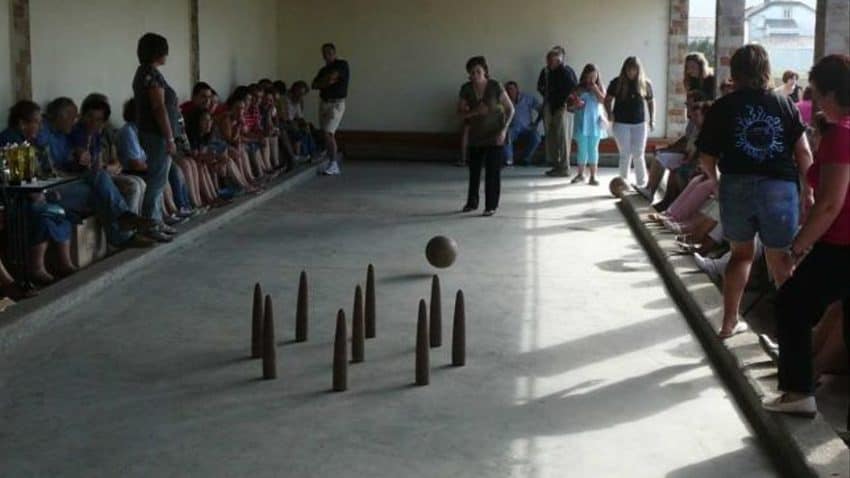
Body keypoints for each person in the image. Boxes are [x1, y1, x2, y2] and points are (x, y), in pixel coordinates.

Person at [697, 44, 812, 339]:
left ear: (735, 71)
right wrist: (807, 190)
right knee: (781, 260)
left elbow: (706, 158)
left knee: (741, 256)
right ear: (765, 70)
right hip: (779, 187)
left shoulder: (723, 107)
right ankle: (792, 333)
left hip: (737, 183)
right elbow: (804, 153)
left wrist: (718, 181)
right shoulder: (784, 104)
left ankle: (729, 321)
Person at [762, 55, 850, 417]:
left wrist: (796, 248)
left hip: (842, 245)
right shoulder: (839, 131)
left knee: (792, 303)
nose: (812, 99)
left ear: (830, 92)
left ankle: (798, 392)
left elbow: (830, 203)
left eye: (815, 92)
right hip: (841, 243)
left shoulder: (842, 134)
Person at [39, 97, 154, 249]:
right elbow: (50, 170)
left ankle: (124, 226)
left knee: (99, 178)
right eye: (73, 117)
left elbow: (72, 163)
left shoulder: (64, 134)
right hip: (54, 188)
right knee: (97, 192)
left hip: (72, 180)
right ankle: (123, 230)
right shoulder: (45, 134)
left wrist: (78, 160)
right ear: (62, 116)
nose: (75, 121)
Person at [0, 101, 77, 285]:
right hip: (12, 200)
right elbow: (15, 180)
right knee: (41, 214)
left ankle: (65, 264)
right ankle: (36, 270)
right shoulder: (9, 142)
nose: (40, 127)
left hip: (27, 196)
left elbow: (38, 174)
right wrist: (38, 194)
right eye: (36, 122)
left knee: (60, 212)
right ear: (22, 124)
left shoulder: (28, 142)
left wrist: (45, 192)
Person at [133, 32, 180, 242]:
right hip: (157, 135)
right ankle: (150, 224)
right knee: (157, 180)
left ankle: (157, 219)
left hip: (154, 133)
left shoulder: (146, 72)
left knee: (160, 180)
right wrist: (169, 138)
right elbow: (158, 107)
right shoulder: (150, 74)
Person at [457, 56, 515, 217]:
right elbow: (459, 114)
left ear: (485, 72)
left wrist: (503, 131)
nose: (476, 75)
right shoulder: (466, 89)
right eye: (472, 72)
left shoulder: (495, 86)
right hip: (476, 137)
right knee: (474, 171)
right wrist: (475, 112)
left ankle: (491, 205)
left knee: (492, 172)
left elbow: (510, 109)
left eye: (478, 71)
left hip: (495, 135)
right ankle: (472, 202)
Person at [605, 56, 655, 191]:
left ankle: (642, 184)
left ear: (638, 70)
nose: (631, 72)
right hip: (621, 123)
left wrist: (652, 119)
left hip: (639, 123)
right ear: (625, 69)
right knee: (625, 154)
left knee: (638, 153)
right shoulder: (617, 83)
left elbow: (650, 102)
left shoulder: (645, 83)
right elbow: (607, 99)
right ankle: (623, 183)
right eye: (629, 69)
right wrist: (609, 113)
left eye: (634, 69)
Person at [537, 47, 578, 177]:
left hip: (563, 108)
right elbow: (540, 86)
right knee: (552, 137)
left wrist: (565, 102)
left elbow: (574, 89)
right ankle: (556, 165)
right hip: (550, 106)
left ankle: (565, 167)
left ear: (558, 60)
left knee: (563, 138)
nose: (548, 63)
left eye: (551, 61)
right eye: (547, 61)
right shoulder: (546, 72)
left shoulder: (566, 71)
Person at [312, 43, 350, 176]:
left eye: (329, 52)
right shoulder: (323, 70)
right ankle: (329, 157)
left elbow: (331, 78)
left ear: (334, 52)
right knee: (325, 133)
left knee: (328, 133)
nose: (326, 55)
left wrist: (327, 81)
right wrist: (326, 81)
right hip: (324, 103)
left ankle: (333, 164)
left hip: (336, 104)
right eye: (324, 53)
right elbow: (315, 84)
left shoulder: (342, 64)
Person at [570, 64, 607, 185]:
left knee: (593, 149)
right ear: (584, 76)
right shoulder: (578, 88)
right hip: (581, 123)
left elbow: (603, 101)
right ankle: (580, 174)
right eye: (589, 76)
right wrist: (576, 104)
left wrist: (595, 89)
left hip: (595, 124)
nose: (591, 79)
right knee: (582, 149)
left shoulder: (600, 87)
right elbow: (569, 106)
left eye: (594, 76)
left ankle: (593, 175)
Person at [503, 81, 542, 167]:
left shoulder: (527, 98)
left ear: (517, 89)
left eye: (512, 89)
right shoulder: (505, 101)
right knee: (507, 134)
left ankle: (526, 159)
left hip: (527, 128)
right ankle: (509, 160)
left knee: (537, 137)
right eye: (508, 90)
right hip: (513, 129)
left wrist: (536, 123)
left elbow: (541, 109)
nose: (510, 91)